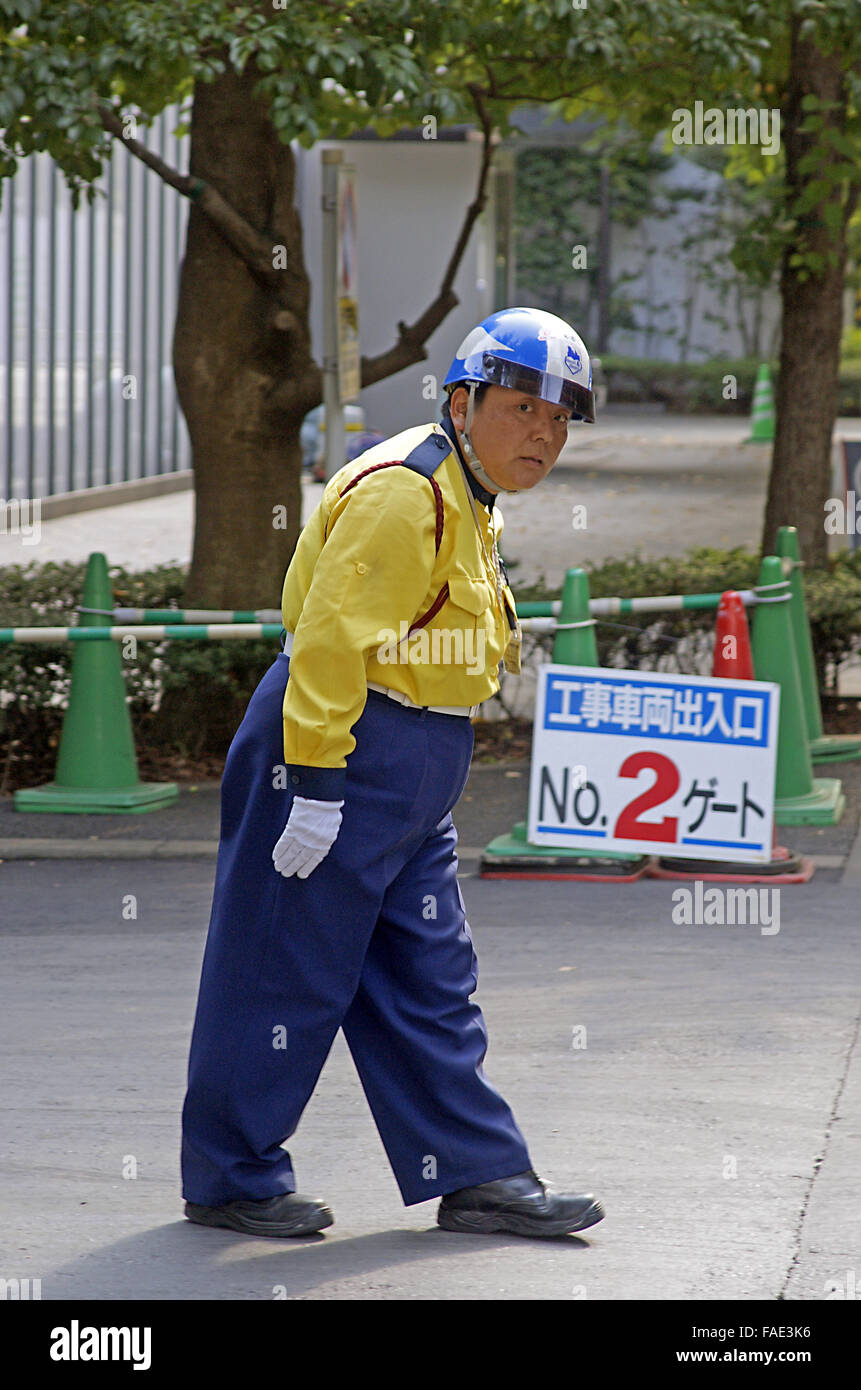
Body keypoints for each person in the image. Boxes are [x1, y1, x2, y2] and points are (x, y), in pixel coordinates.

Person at [180, 306, 606, 1240]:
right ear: (462, 400)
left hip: (416, 753)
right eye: (522, 407)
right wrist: (319, 782)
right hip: (342, 742)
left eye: (560, 417)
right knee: (283, 967)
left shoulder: (468, 486)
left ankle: (477, 1172)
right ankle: (229, 1176)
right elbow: (330, 638)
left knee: (428, 973)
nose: (543, 433)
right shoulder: (407, 488)